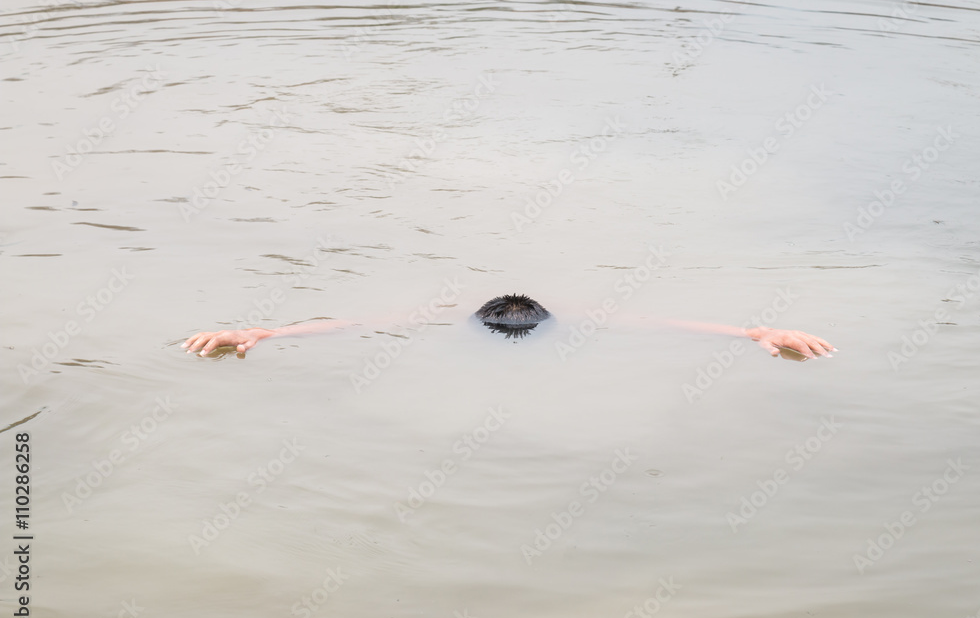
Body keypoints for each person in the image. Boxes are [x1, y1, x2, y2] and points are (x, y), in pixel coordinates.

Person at [181, 293, 836, 360]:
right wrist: (752, 333)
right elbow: (661, 322)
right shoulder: (583, 317)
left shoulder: (443, 313)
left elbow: (357, 322)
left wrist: (270, 332)